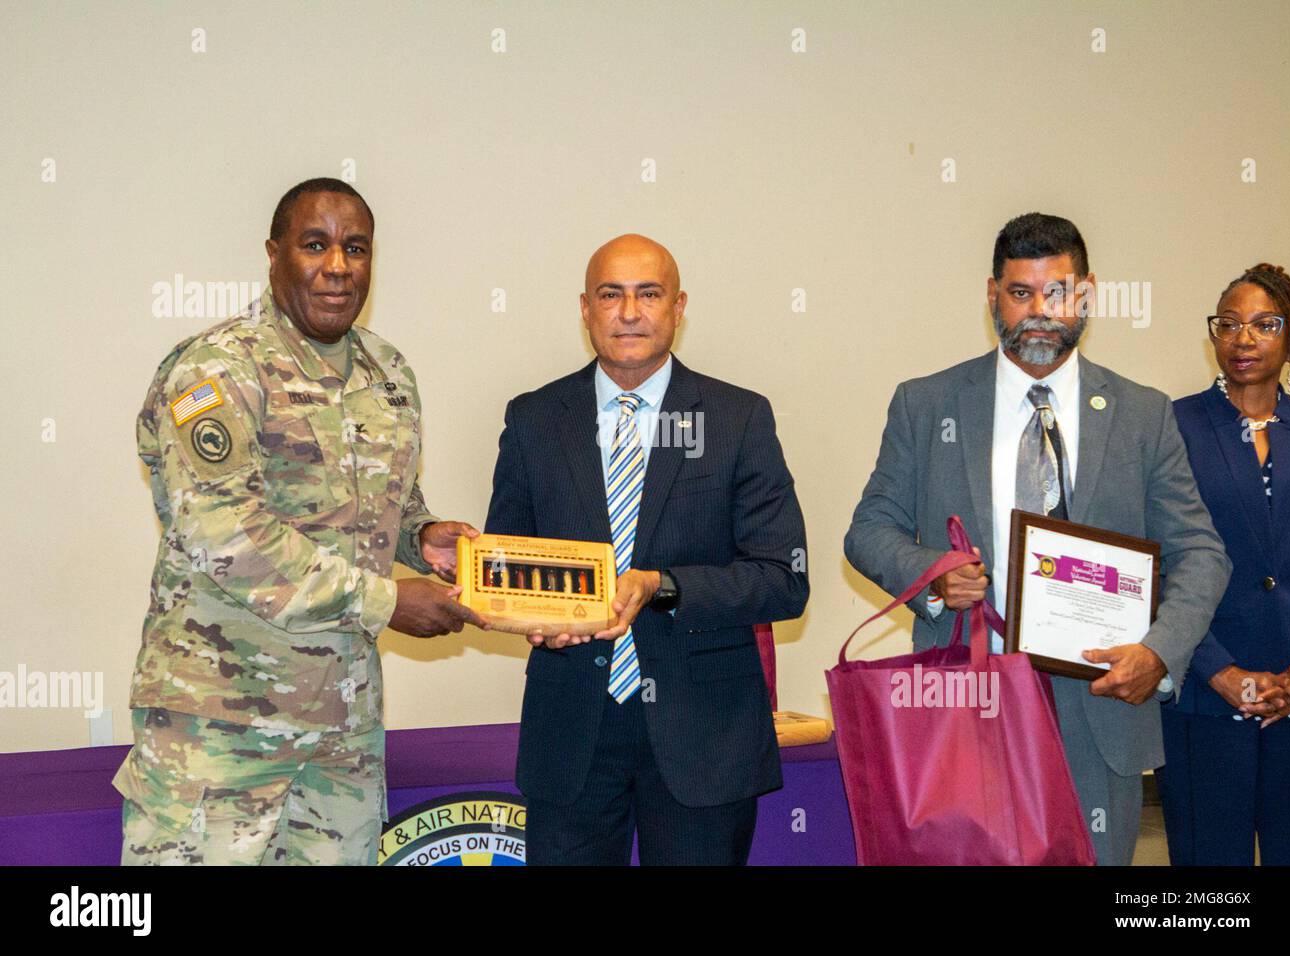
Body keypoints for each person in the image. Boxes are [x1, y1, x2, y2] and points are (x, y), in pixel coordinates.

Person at [114, 178, 485, 865]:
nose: (338, 267)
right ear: (274, 254)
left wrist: (422, 536)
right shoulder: (217, 370)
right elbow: (226, 535)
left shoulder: (388, 373)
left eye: (356, 248)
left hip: (340, 735)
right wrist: (387, 600)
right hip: (222, 735)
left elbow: (383, 505)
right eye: (315, 245)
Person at [843, 212, 1229, 866]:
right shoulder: (927, 403)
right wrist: (929, 575)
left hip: (1099, 708)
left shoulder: (1142, 413)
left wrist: (1159, 655)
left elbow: (1202, 554)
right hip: (964, 703)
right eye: (1022, 293)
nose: (1040, 311)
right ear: (992, 295)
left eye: (1058, 292)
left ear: (1087, 295)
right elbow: (868, 529)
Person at [485, 234, 809, 864]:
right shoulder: (535, 418)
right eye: (611, 294)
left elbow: (782, 580)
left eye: (648, 294)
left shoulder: (738, 417)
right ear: (585, 308)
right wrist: (535, 617)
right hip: (571, 726)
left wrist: (662, 585)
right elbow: (505, 564)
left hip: (703, 734)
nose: (629, 311)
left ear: (678, 308)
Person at [1158, 263, 1290, 865]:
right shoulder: (1171, 426)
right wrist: (1217, 670)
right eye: (1229, 324)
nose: (1243, 339)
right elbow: (1155, 561)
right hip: (1202, 692)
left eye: (1264, 325)